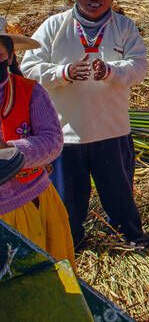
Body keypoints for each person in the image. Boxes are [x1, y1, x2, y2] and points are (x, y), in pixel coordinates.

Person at [22, 0, 149, 249]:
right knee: (68, 198)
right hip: (67, 134)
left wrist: (113, 71)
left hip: (112, 130)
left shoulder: (124, 27)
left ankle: (130, 236)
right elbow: (29, 67)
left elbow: (139, 67)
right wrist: (62, 73)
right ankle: (70, 243)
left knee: (119, 193)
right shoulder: (54, 26)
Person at [0, 18, 75, 267]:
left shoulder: (29, 92)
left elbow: (52, 141)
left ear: (10, 57)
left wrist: (10, 152)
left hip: (31, 204)